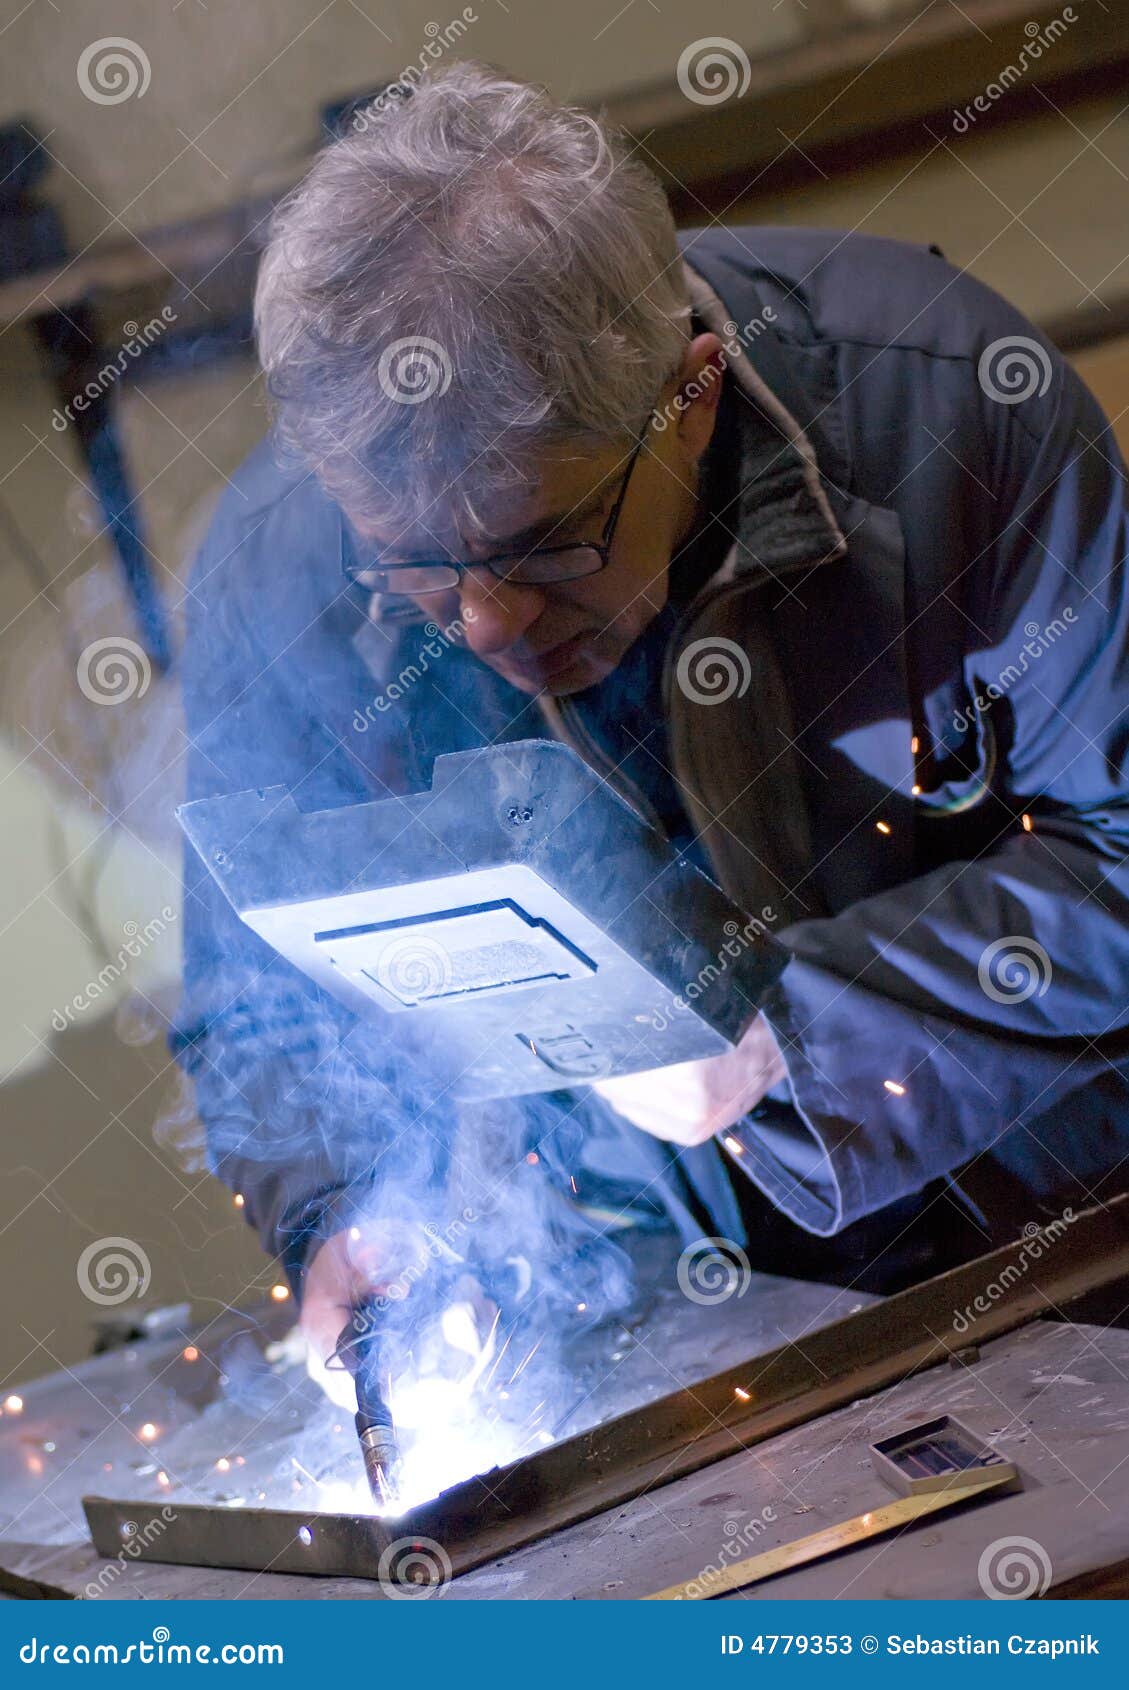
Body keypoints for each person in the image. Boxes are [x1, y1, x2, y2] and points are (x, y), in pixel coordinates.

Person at [172, 61, 1129, 1392]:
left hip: (1051, 1243)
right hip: (642, 1306)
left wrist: (782, 1034)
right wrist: (340, 1211)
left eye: (548, 545)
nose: (488, 620)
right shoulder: (278, 571)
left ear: (690, 396)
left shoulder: (957, 405)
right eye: (414, 567)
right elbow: (247, 998)